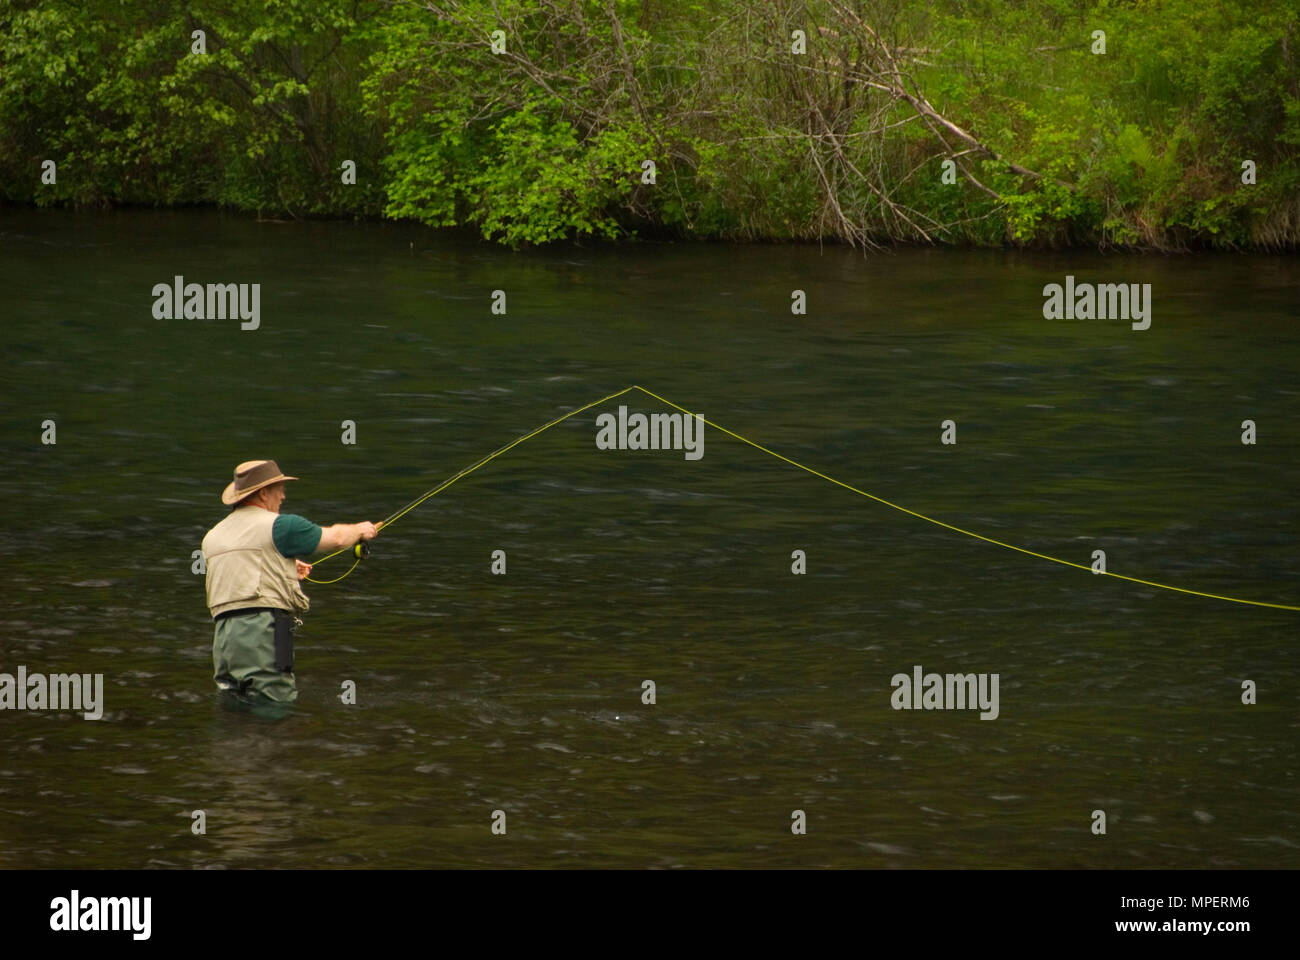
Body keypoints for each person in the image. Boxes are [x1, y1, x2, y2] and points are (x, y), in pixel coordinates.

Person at [201, 459, 379, 703]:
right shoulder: (282, 526)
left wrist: (284, 568)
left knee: (234, 707)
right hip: (263, 632)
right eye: (279, 489)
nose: (283, 496)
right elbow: (336, 539)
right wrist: (360, 530)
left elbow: (240, 568)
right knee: (273, 706)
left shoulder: (213, 536)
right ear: (263, 493)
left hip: (223, 641)